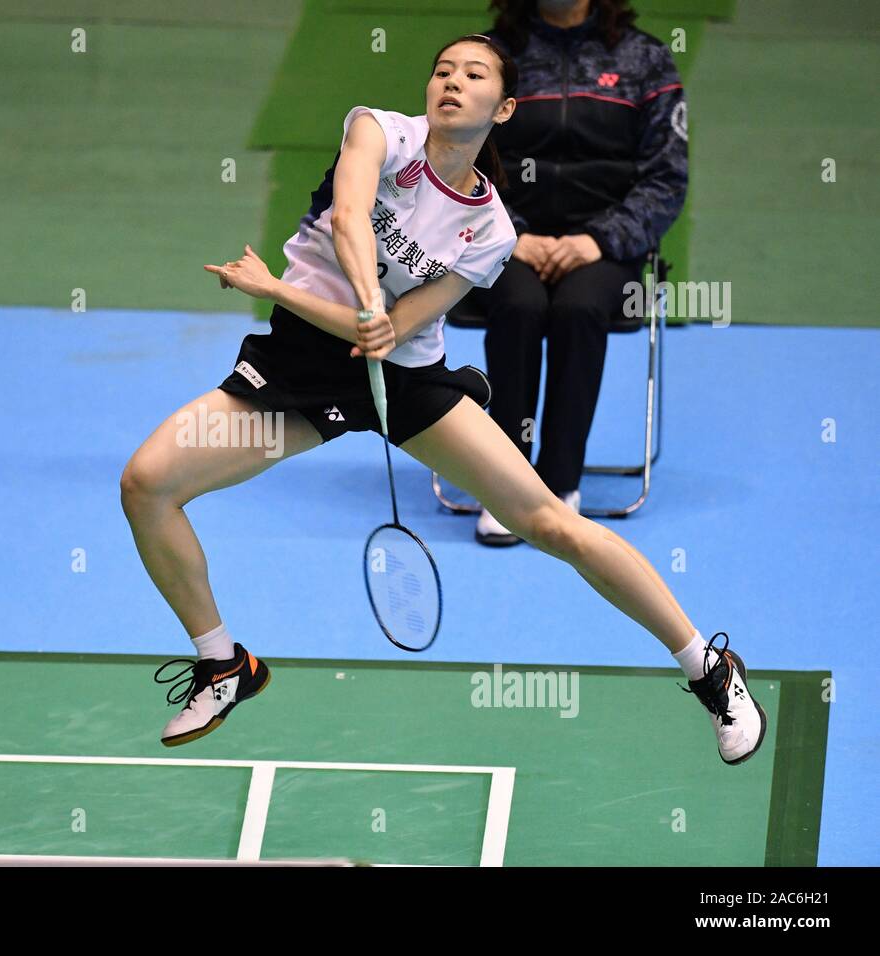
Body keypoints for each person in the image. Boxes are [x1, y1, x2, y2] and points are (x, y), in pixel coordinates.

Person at [120, 35, 763, 765]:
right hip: (301, 363)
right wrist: (351, 295)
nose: (452, 82)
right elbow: (348, 216)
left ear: (505, 106)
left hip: (406, 382)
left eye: (474, 74)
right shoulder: (379, 131)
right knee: (147, 483)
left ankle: (709, 671)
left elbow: (397, 332)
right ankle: (224, 663)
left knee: (553, 523)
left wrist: (291, 292)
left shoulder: (490, 229)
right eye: (443, 70)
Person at [469, 0, 688, 545]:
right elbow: (455, 158)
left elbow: (667, 176)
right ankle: (509, 484)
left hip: (606, 249)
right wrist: (512, 233)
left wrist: (599, 239)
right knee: (519, 305)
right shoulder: (492, 56)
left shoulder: (646, 61)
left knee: (579, 306)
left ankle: (560, 483)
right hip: (505, 240)